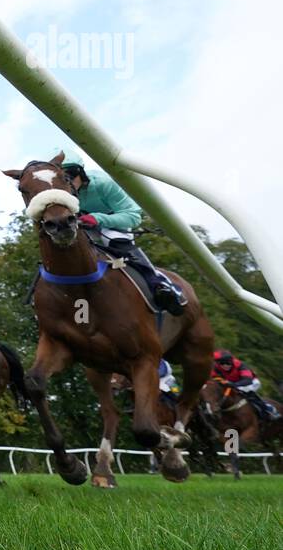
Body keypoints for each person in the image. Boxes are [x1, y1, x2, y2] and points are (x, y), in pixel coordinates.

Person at [57, 150, 187, 315]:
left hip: (113, 220)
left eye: (69, 177)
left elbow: (133, 216)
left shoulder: (103, 183)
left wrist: (98, 219)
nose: (66, 186)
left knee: (116, 241)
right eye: (61, 179)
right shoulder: (58, 193)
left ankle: (159, 285)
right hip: (82, 225)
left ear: (80, 173)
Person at [211, 349, 281, 421]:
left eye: (228, 363)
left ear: (232, 361)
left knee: (243, 391)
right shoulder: (216, 368)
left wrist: (233, 385)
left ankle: (269, 408)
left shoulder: (240, 365)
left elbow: (247, 380)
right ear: (218, 363)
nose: (225, 365)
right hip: (233, 383)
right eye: (222, 363)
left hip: (251, 382)